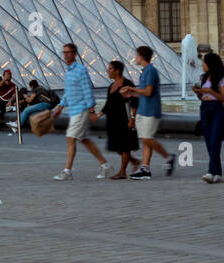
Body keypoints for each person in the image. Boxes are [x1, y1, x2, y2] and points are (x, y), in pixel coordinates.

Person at [51, 42, 114, 180]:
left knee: (71, 138)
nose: (65, 55)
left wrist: (91, 110)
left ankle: (67, 171)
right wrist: (60, 108)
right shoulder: (68, 71)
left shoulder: (80, 70)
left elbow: (87, 90)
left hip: (81, 109)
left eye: (68, 52)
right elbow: (68, 92)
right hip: (74, 110)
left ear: (74, 54)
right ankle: (105, 166)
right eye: (64, 52)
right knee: (84, 139)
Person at [121, 45, 173, 179]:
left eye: (136, 55)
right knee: (145, 140)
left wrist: (131, 88)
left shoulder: (150, 71)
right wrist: (131, 94)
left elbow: (148, 92)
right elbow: (144, 93)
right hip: (144, 109)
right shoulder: (145, 71)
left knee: (147, 138)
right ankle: (145, 169)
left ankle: (168, 157)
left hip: (150, 110)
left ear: (142, 57)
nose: (134, 58)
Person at [193, 51, 224, 183]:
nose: (202, 65)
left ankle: (211, 172)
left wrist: (210, 91)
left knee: (215, 140)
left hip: (217, 109)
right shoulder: (203, 78)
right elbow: (202, 98)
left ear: (211, 64)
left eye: (204, 62)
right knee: (209, 141)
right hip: (204, 108)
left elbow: (223, 98)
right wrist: (198, 93)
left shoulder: (223, 79)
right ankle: (218, 173)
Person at [101, 61, 140, 179]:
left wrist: (132, 119)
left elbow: (134, 103)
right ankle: (135, 162)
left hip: (124, 119)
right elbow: (108, 104)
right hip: (112, 121)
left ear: (117, 71)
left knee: (124, 146)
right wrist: (98, 115)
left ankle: (122, 172)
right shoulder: (111, 86)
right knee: (116, 146)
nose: (108, 70)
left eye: (110, 69)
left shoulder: (127, 84)